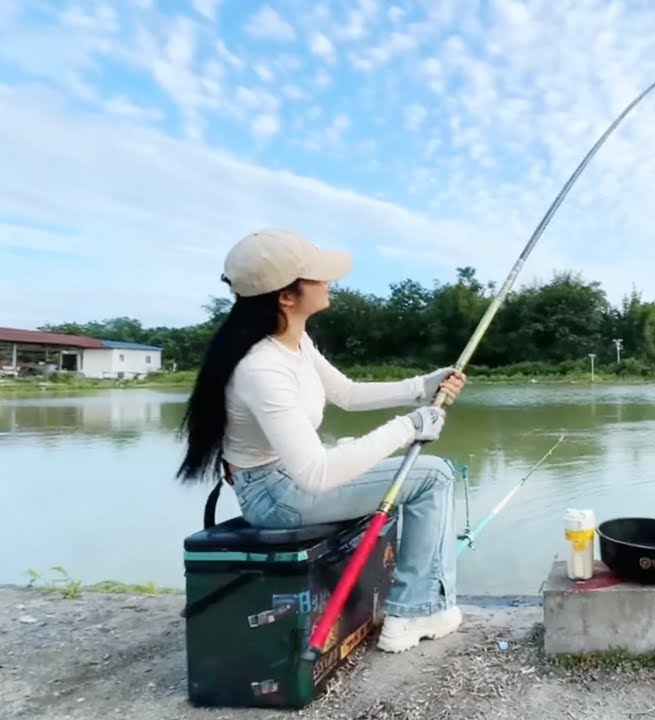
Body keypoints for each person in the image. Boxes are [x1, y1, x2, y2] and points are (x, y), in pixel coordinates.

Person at [176, 227, 468, 654]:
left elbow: (346, 394)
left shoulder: (293, 341)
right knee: (434, 475)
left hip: (284, 482)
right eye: (317, 276)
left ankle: (413, 605)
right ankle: (415, 611)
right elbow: (316, 474)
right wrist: (410, 427)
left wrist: (422, 386)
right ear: (285, 296)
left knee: (370, 452)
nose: (330, 282)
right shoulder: (262, 368)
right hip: (279, 496)